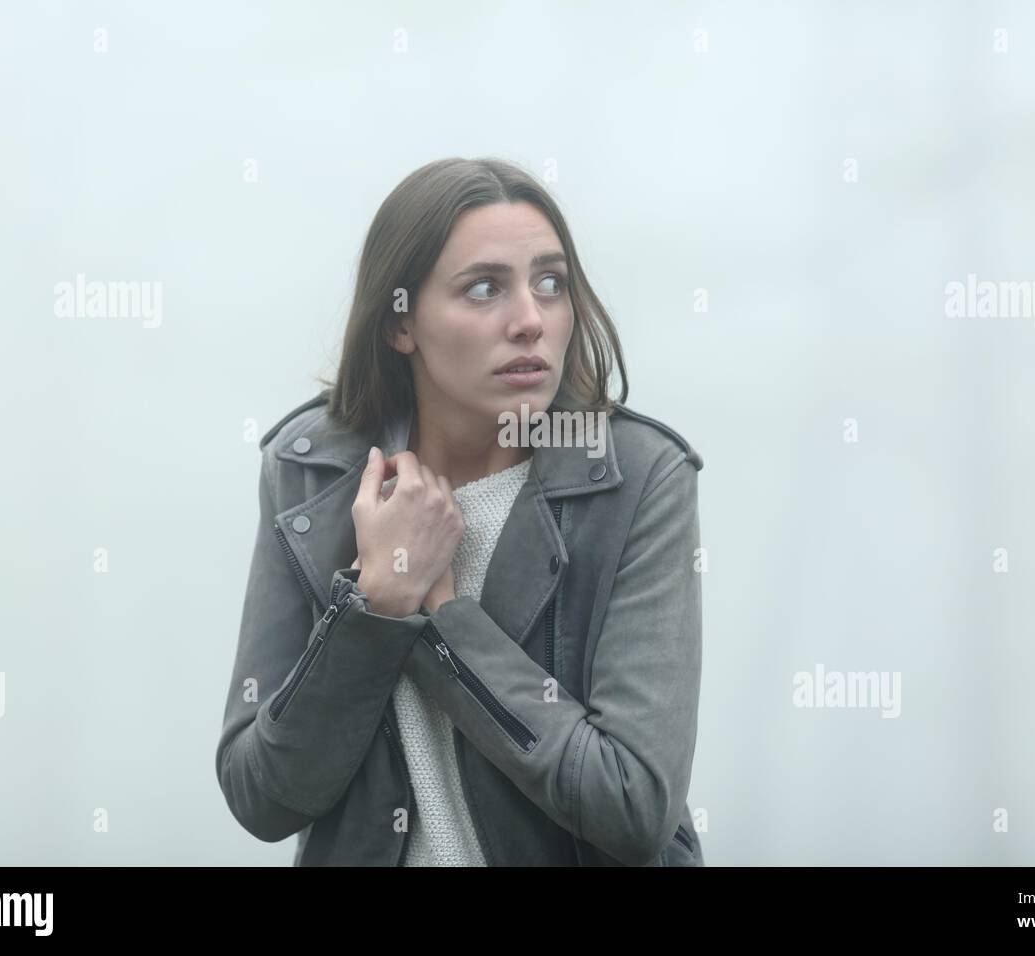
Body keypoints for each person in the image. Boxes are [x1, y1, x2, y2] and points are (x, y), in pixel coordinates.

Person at [215, 157, 706, 866]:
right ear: (400, 324)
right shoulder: (310, 473)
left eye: (551, 283)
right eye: (483, 289)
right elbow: (263, 794)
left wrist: (447, 627)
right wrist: (375, 606)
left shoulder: (637, 478)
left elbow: (632, 805)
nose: (531, 320)